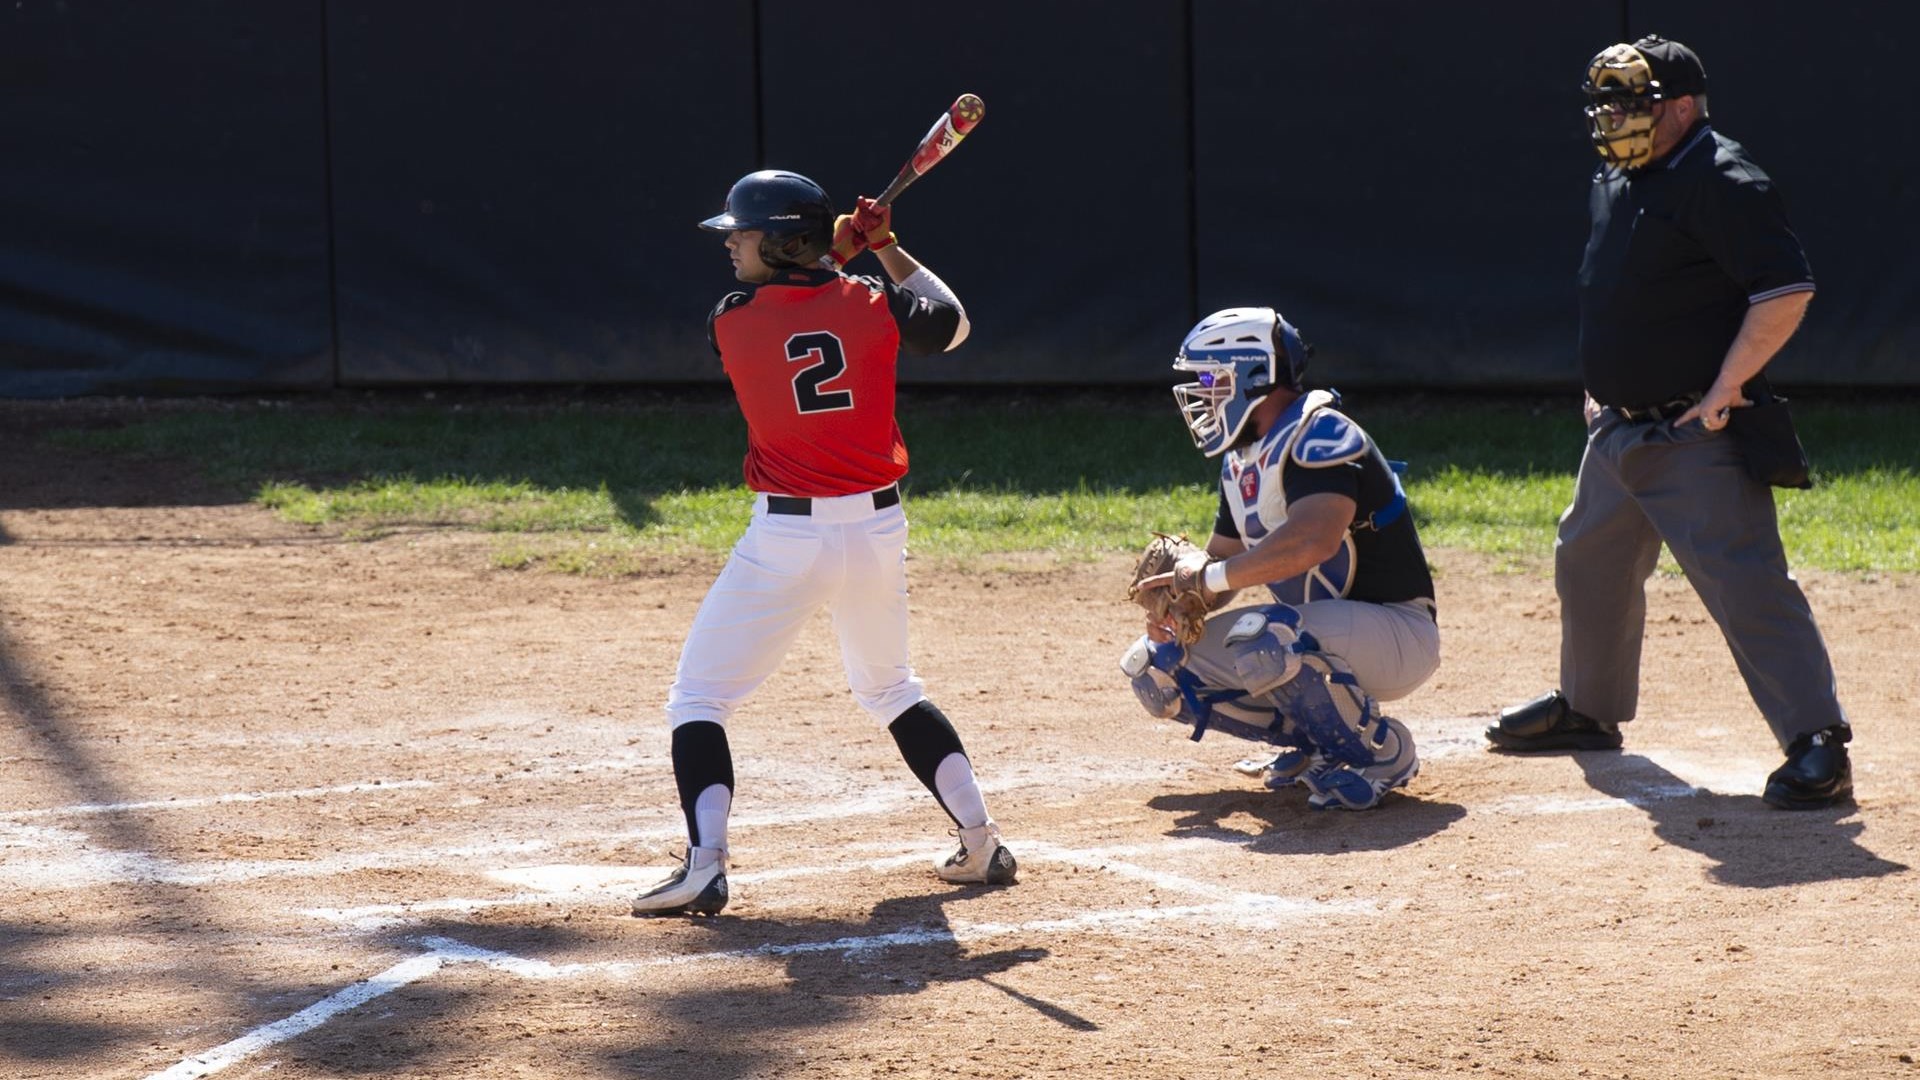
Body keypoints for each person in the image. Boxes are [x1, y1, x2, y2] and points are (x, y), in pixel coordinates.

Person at [631, 170, 1017, 917]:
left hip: (786, 538)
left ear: (779, 243)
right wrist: (887, 248)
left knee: (699, 698)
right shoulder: (873, 300)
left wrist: (845, 245)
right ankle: (980, 839)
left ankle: (705, 864)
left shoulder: (732, 317)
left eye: (743, 234)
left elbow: (798, 292)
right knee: (892, 688)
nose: (732, 244)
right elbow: (952, 322)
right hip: (876, 529)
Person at [1486, 36, 1852, 809]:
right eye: (1607, 102)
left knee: (1744, 581)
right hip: (1617, 429)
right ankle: (1588, 708)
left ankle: (1818, 742)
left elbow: (1784, 291)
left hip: (1695, 431)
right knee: (1588, 559)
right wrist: (1601, 386)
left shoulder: (1723, 179)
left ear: (1681, 107)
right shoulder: (1622, 172)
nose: (1614, 115)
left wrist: (1725, 387)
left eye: (1631, 102)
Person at [1124, 307, 1441, 810]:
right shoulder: (1243, 456)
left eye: (1212, 377)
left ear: (1252, 375)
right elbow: (1225, 560)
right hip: (1322, 629)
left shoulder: (1322, 433)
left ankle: (1380, 753)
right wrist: (1182, 597)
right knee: (1159, 668)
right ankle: (1322, 747)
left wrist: (1210, 576)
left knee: (1265, 636)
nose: (1203, 391)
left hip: (1397, 632)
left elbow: (1314, 540)